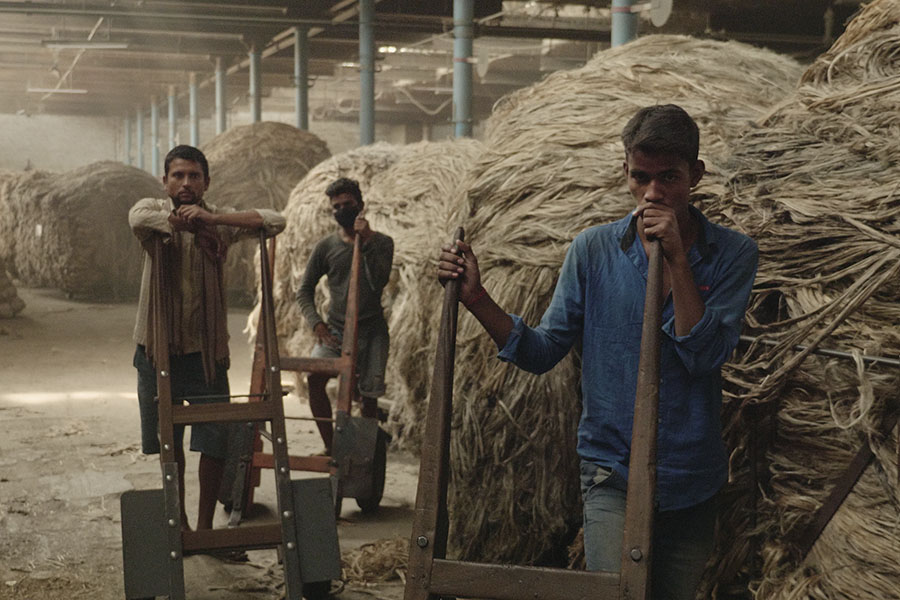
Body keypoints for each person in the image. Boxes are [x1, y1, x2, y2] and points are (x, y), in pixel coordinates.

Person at [437, 105, 758, 599]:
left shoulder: (733, 253)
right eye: (641, 177)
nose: (653, 193)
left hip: (690, 477)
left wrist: (677, 260)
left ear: (695, 174)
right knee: (615, 594)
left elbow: (705, 355)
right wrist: (477, 298)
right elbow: (542, 351)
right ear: (625, 172)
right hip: (612, 471)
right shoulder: (593, 251)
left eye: (669, 178)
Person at [129, 145, 286, 531]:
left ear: (206, 182)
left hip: (206, 354)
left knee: (215, 441)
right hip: (158, 350)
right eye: (178, 175)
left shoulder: (219, 221)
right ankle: (179, 523)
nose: (186, 183)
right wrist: (187, 224)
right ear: (165, 181)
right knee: (169, 442)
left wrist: (211, 219)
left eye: (194, 176)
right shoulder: (153, 212)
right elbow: (137, 218)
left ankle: (204, 529)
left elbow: (275, 221)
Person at [296, 177, 393, 454]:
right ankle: (332, 447)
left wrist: (366, 241)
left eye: (347, 204)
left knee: (369, 396)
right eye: (336, 207)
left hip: (371, 332)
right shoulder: (326, 247)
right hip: (336, 332)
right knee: (314, 378)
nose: (341, 211)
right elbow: (304, 290)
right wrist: (318, 325)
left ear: (361, 205)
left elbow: (378, 281)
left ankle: (364, 457)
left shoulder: (383, 243)